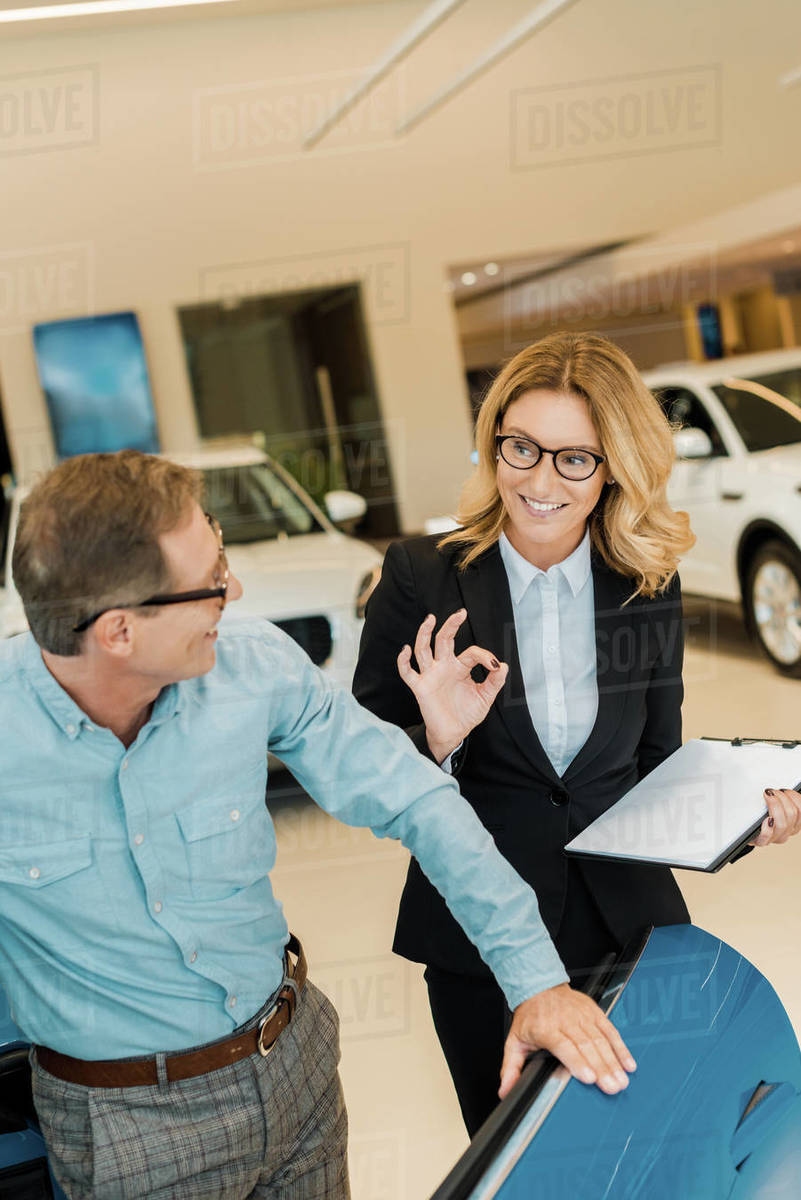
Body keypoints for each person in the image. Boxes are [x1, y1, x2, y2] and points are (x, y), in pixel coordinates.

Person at [1, 449, 636, 1200]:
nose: (234, 590)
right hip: (124, 1125)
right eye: (210, 582)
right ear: (117, 633)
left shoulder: (256, 668)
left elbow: (417, 802)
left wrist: (534, 982)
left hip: (293, 1069)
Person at [354, 330, 699, 1136]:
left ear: (614, 464)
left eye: (573, 458)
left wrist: (751, 821)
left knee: (645, 1155)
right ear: (493, 445)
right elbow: (356, 765)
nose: (539, 481)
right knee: (514, 1159)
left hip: (631, 933)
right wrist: (436, 739)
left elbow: (657, 765)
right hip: (481, 939)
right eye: (520, 449)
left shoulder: (646, 583)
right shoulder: (419, 576)